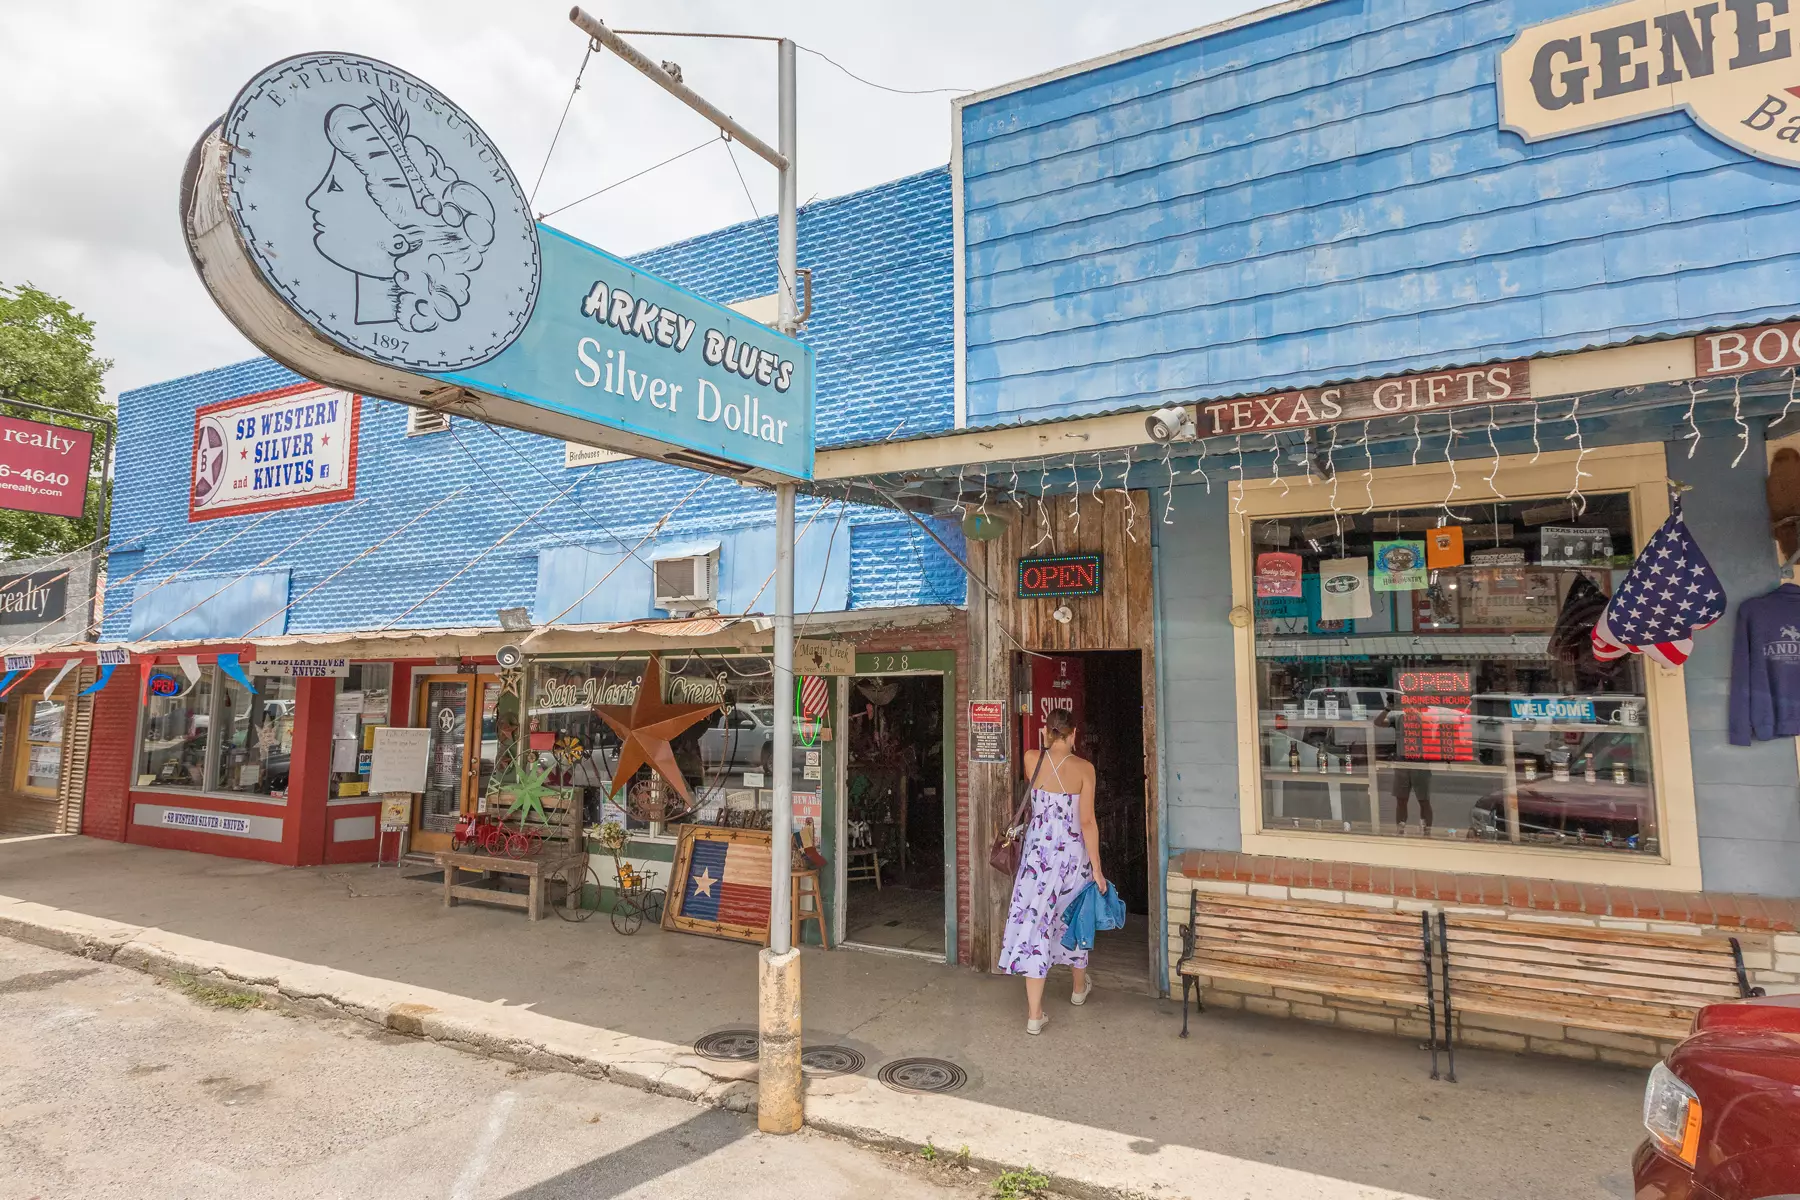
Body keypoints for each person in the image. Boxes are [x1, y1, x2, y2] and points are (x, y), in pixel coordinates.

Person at [997, 708, 1105, 1034]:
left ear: (1047, 732)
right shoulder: (1085, 769)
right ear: (1073, 735)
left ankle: (1034, 1014)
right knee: (1074, 918)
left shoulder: (1032, 759)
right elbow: (1086, 822)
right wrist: (1097, 870)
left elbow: (1039, 779)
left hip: (1037, 856)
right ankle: (1077, 989)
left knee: (1036, 926)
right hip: (1072, 856)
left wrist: (1047, 741)